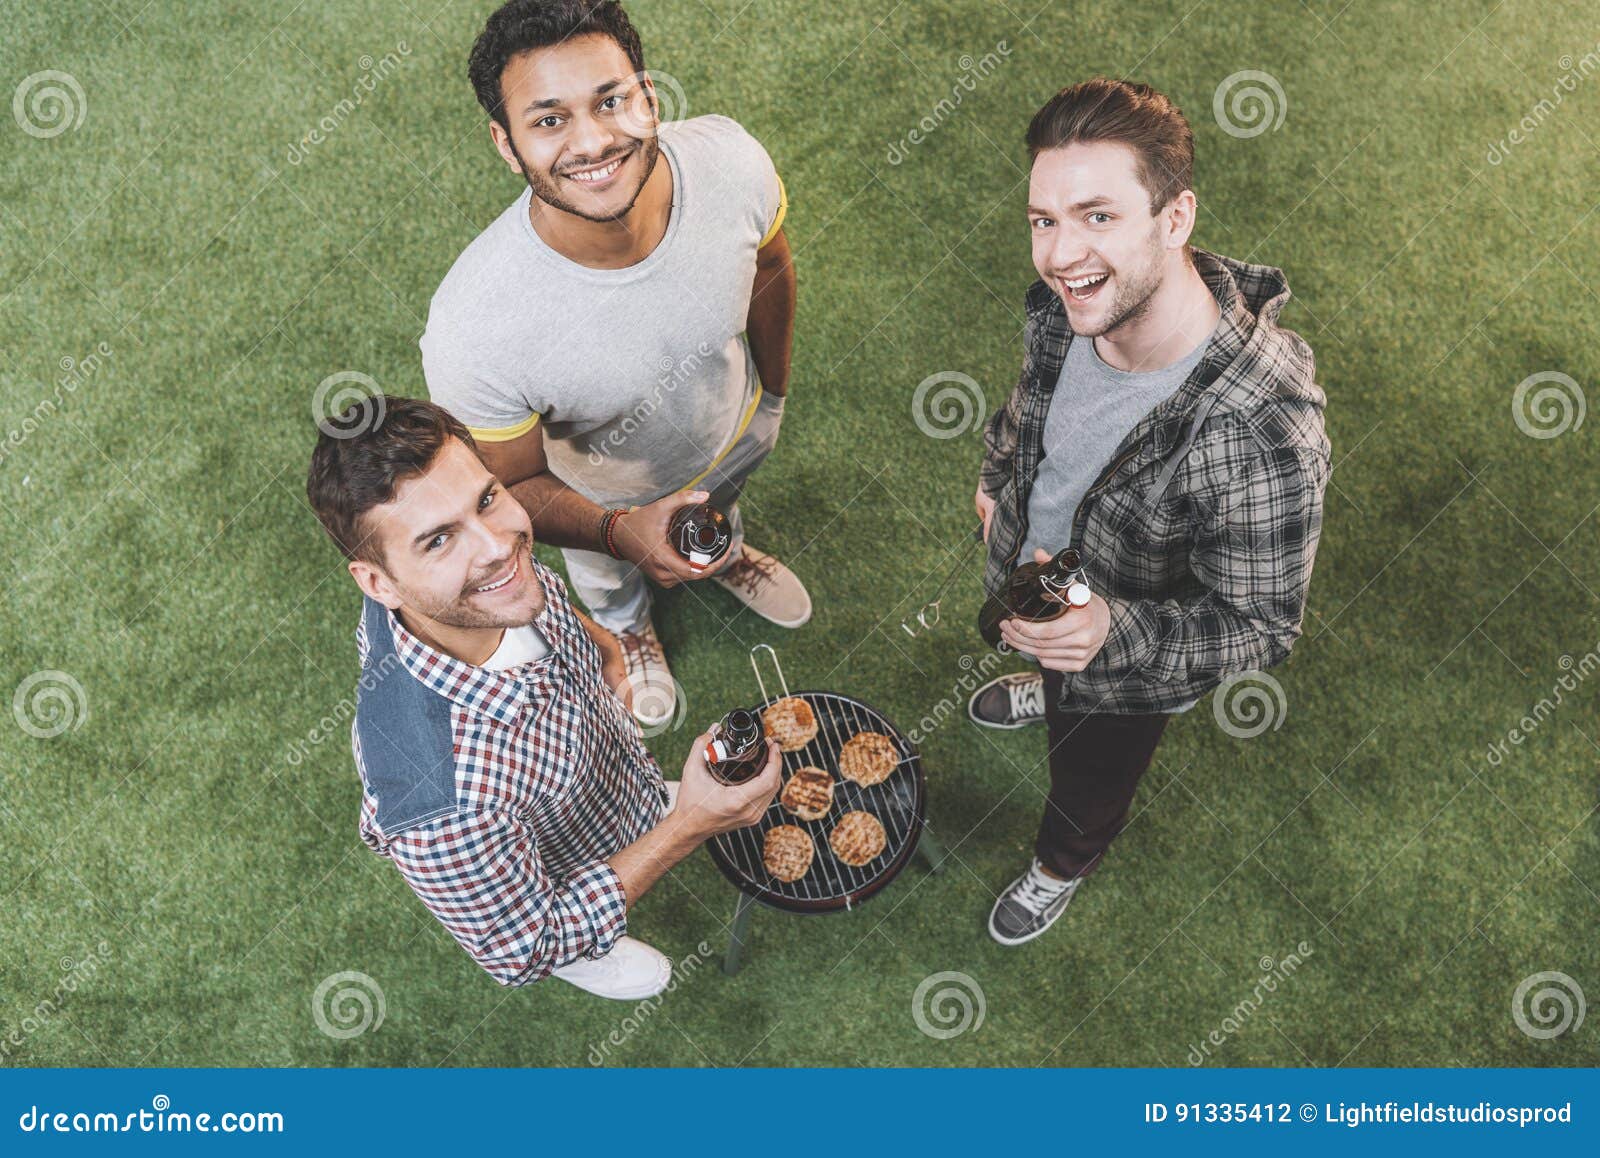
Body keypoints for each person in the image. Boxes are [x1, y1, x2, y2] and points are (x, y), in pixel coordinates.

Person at [969, 79, 1330, 945]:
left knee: (1089, 775)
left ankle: (1062, 863)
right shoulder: (1075, 312)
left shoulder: (1265, 431)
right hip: (1041, 580)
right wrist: (997, 478)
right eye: (1043, 220)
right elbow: (1032, 408)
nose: (1059, 254)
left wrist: (1108, 639)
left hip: (1126, 668)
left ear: (1176, 220)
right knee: (1056, 673)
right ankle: (1048, 682)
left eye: (1097, 216)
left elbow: (1260, 625)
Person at [305, 397, 780, 999]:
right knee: (554, 934)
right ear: (378, 584)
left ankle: (635, 810)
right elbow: (524, 948)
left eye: (484, 499)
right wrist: (689, 824)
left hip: (593, 789)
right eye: (438, 541)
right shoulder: (441, 809)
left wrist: (601, 642)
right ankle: (591, 956)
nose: (499, 546)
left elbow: (529, 587)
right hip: (545, 891)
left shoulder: (473, 588)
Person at [421, 0, 807, 727]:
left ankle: (724, 555)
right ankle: (628, 624)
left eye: (611, 101)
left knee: (717, 516)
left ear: (649, 97)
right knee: (609, 580)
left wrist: (775, 398)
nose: (594, 141)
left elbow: (772, 268)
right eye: (549, 120)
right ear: (507, 146)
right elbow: (510, 487)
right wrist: (617, 532)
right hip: (601, 504)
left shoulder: (729, 161)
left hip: (737, 431)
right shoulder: (473, 325)